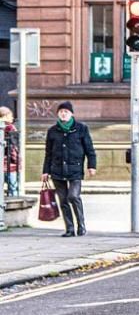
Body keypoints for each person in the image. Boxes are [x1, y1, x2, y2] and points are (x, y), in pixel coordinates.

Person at [41, 102, 97, 237]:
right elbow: (48, 152)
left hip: (75, 169)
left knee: (73, 196)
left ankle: (81, 225)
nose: (63, 114)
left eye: (66, 111)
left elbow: (89, 149)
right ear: (58, 114)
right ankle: (70, 228)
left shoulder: (81, 129)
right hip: (57, 169)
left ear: (71, 114)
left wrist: (91, 165)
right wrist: (45, 170)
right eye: (61, 112)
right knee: (63, 200)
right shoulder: (53, 131)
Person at [0, 106, 20, 199]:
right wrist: (17, 161)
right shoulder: (11, 129)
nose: (12, 118)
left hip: (4, 163)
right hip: (9, 164)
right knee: (13, 189)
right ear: (5, 116)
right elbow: (13, 149)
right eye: (10, 116)